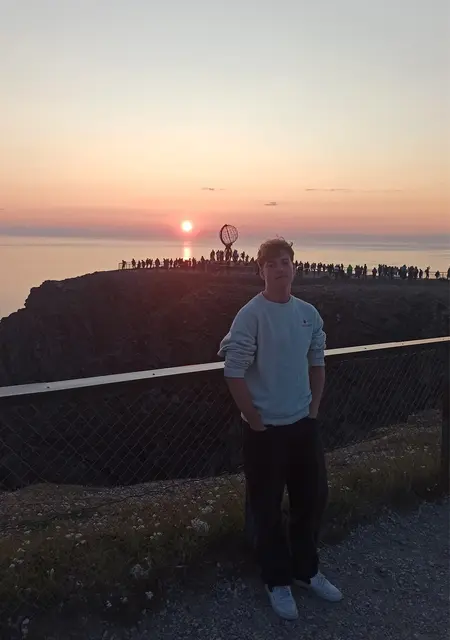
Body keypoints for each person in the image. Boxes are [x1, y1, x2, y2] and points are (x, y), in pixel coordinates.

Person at [218, 238, 342, 620]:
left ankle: (306, 571)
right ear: (261, 271)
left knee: (311, 500)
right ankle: (277, 580)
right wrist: (256, 421)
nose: (279, 268)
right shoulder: (250, 315)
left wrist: (313, 410)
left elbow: (317, 362)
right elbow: (233, 371)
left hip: (303, 425)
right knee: (267, 508)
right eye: (270, 264)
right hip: (265, 432)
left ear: (294, 267)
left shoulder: (308, 313)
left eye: (284, 261)